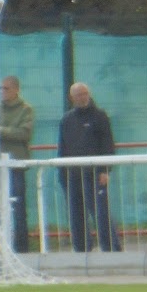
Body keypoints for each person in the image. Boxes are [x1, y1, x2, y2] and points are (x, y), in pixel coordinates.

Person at [57, 81, 118, 251]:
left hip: (94, 174)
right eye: (78, 95)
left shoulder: (99, 116)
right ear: (72, 98)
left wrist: (105, 170)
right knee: (76, 215)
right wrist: (62, 173)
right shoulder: (67, 120)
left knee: (101, 213)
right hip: (73, 175)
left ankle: (111, 248)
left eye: (85, 94)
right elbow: (62, 148)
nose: (82, 98)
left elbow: (108, 144)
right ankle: (82, 249)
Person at [0, 76, 35, 252]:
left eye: (6, 88)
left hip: (15, 166)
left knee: (18, 207)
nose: (2, 92)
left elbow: (24, 134)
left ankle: (21, 248)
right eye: (1, 88)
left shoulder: (26, 110)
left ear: (16, 90)